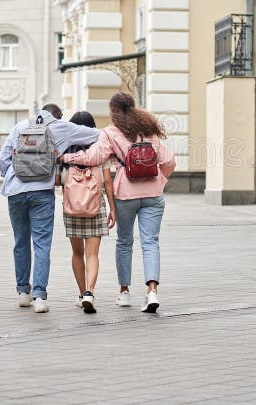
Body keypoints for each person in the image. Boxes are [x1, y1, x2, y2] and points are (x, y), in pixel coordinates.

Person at [63, 92, 175, 313]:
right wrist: (160, 181)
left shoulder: (111, 133)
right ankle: (152, 291)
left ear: (113, 111)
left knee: (124, 242)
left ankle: (124, 292)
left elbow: (93, 158)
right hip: (153, 195)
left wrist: (66, 158)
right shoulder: (150, 131)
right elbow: (169, 161)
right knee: (150, 242)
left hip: (126, 195)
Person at [0, 103, 101, 313]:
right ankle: (39, 297)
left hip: (15, 191)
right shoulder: (63, 127)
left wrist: (14, 176)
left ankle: (22, 293)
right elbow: (97, 134)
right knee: (42, 244)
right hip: (42, 192)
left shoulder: (20, 127)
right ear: (59, 115)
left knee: (20, 241)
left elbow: (3, 160)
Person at [58, 111, 116, 314]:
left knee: (77, 253)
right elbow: (108, 181)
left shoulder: (65, 151)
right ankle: (90, 292)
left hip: (72, 206)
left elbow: (58, 181)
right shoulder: (100, 150)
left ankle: (82, 294)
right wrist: (112, 208)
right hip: (95, 205)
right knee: (93, 254)